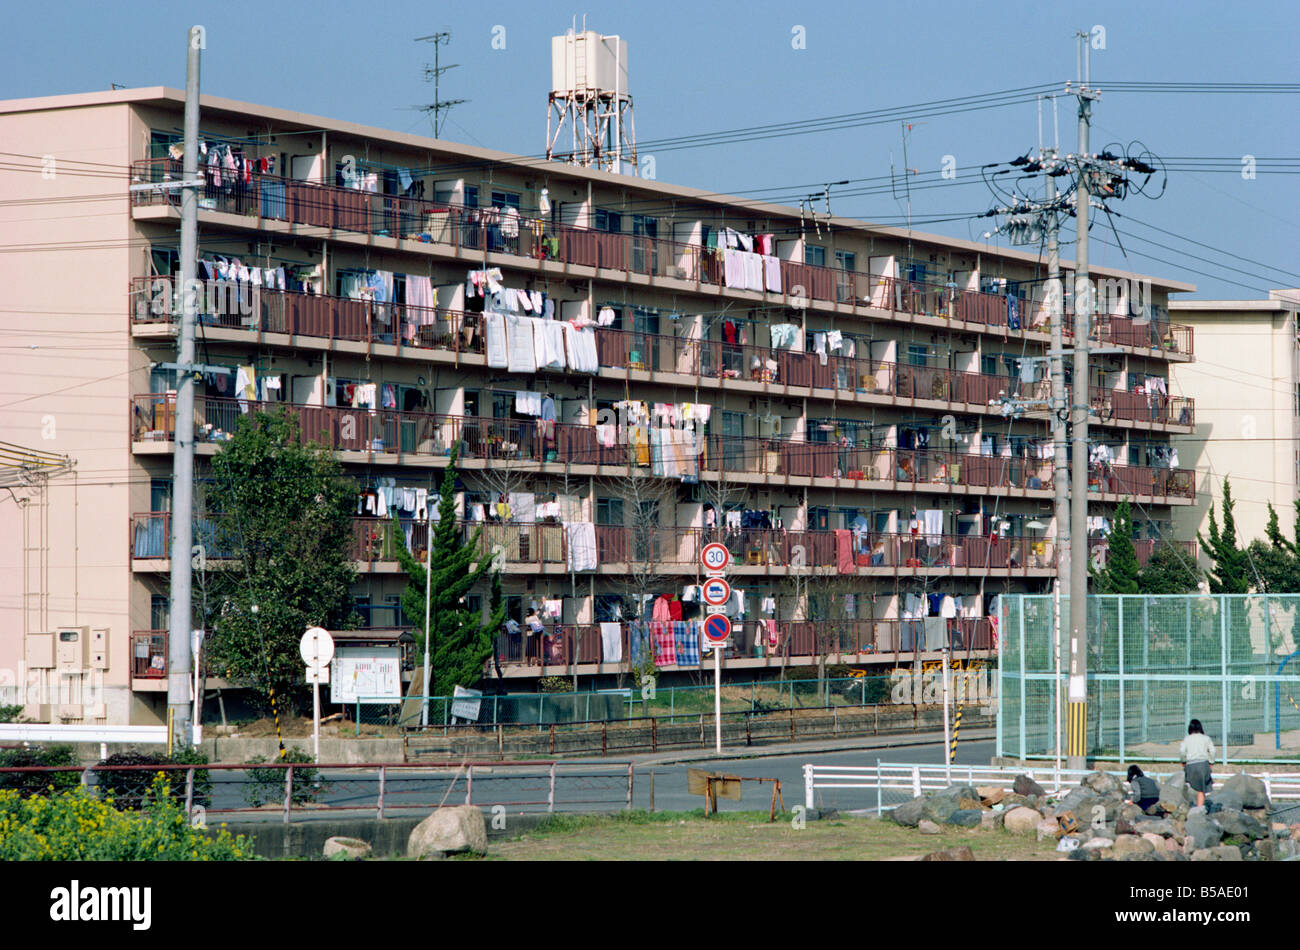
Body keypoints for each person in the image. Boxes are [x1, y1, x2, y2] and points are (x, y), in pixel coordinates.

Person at [1180, 719, 1216, 808]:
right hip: (1203, 764)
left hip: (1190, 764)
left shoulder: (1186, 739)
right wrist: (1211, 762)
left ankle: (1187, 806)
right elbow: (1213, 751)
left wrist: (1183, 761)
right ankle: (1199, 808)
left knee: (1189, 785)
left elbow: (1182, 751)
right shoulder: (1206, 738)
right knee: (1201, 788)